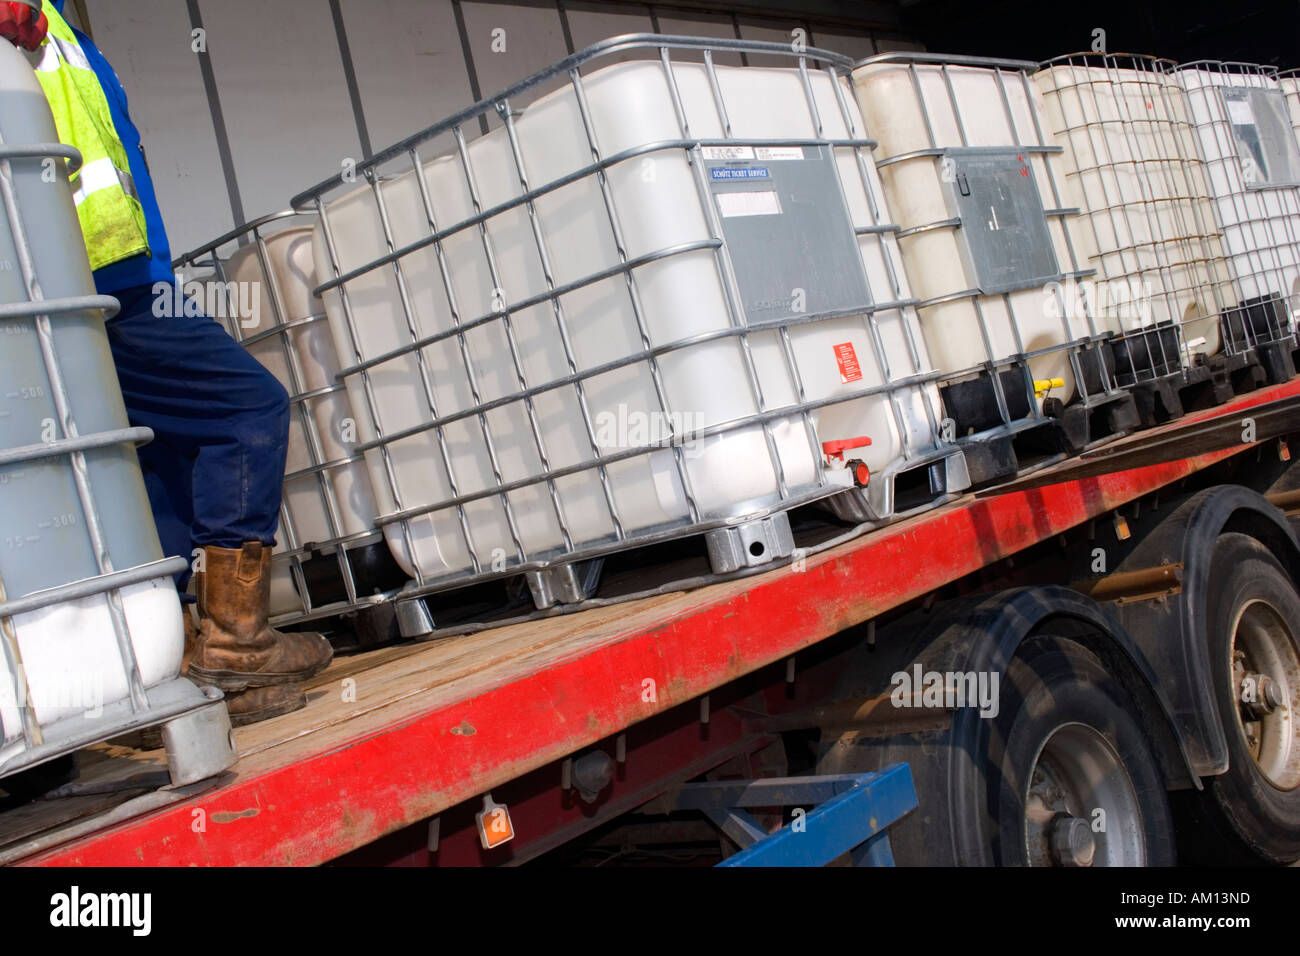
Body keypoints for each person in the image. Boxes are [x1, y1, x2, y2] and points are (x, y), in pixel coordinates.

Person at [1, 0, 332, 726]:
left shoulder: (56, 21)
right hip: (105, 286)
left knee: (159, 457)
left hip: (122, 281)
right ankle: (234, 645)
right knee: (250, 410)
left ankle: (185, 662)